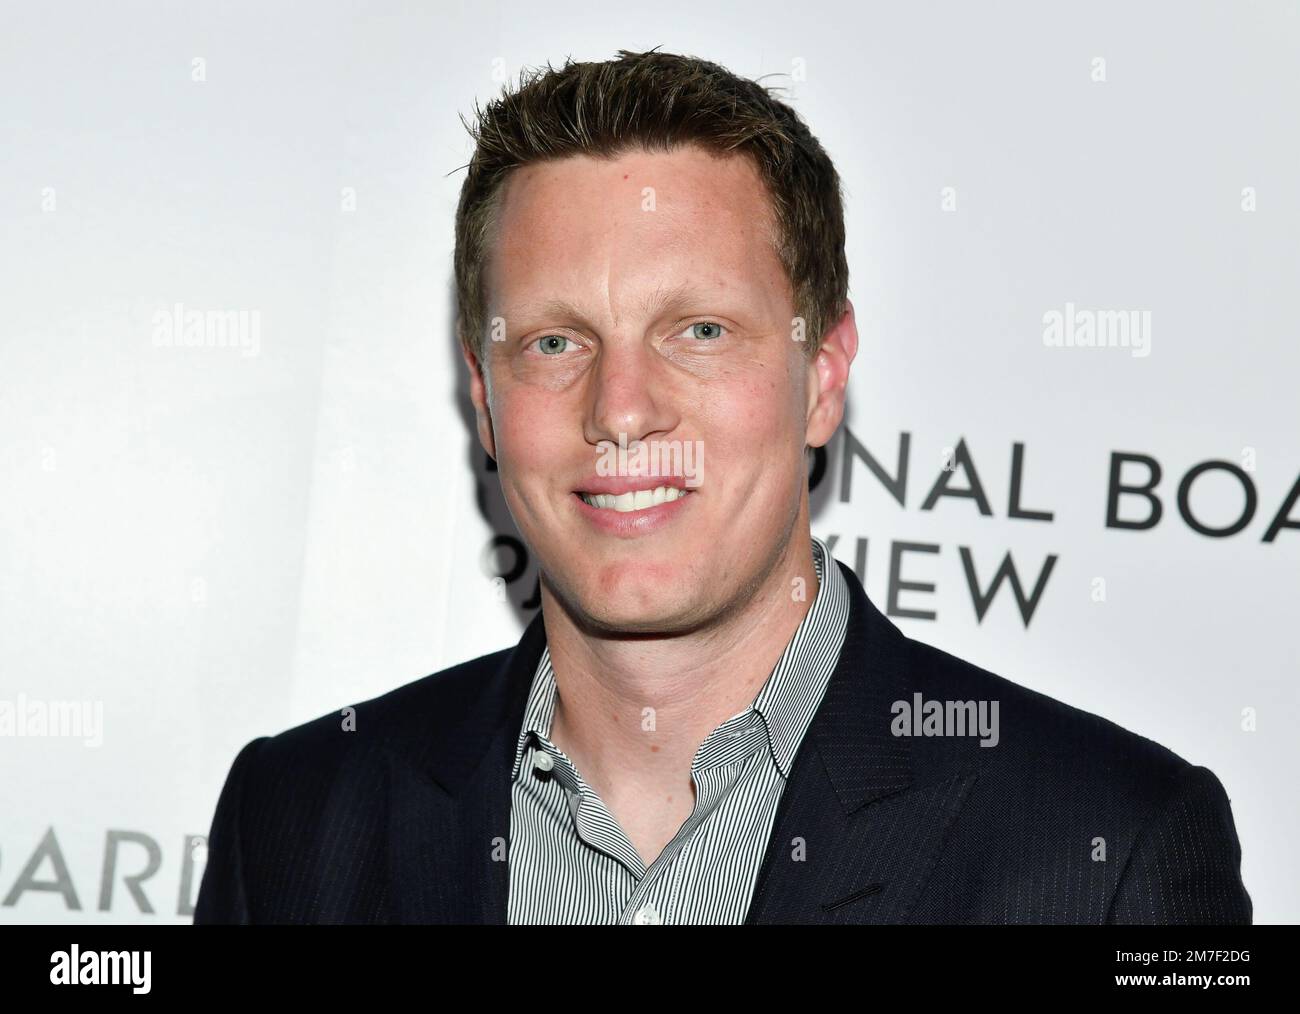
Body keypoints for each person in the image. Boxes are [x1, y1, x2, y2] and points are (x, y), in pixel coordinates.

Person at [194, 49, 1251, 925]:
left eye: (698, 331)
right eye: (556, 341)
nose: (620, 408)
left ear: (823, 375)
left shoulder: (1105, 851)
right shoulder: (297, 823)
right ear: (483, 396)